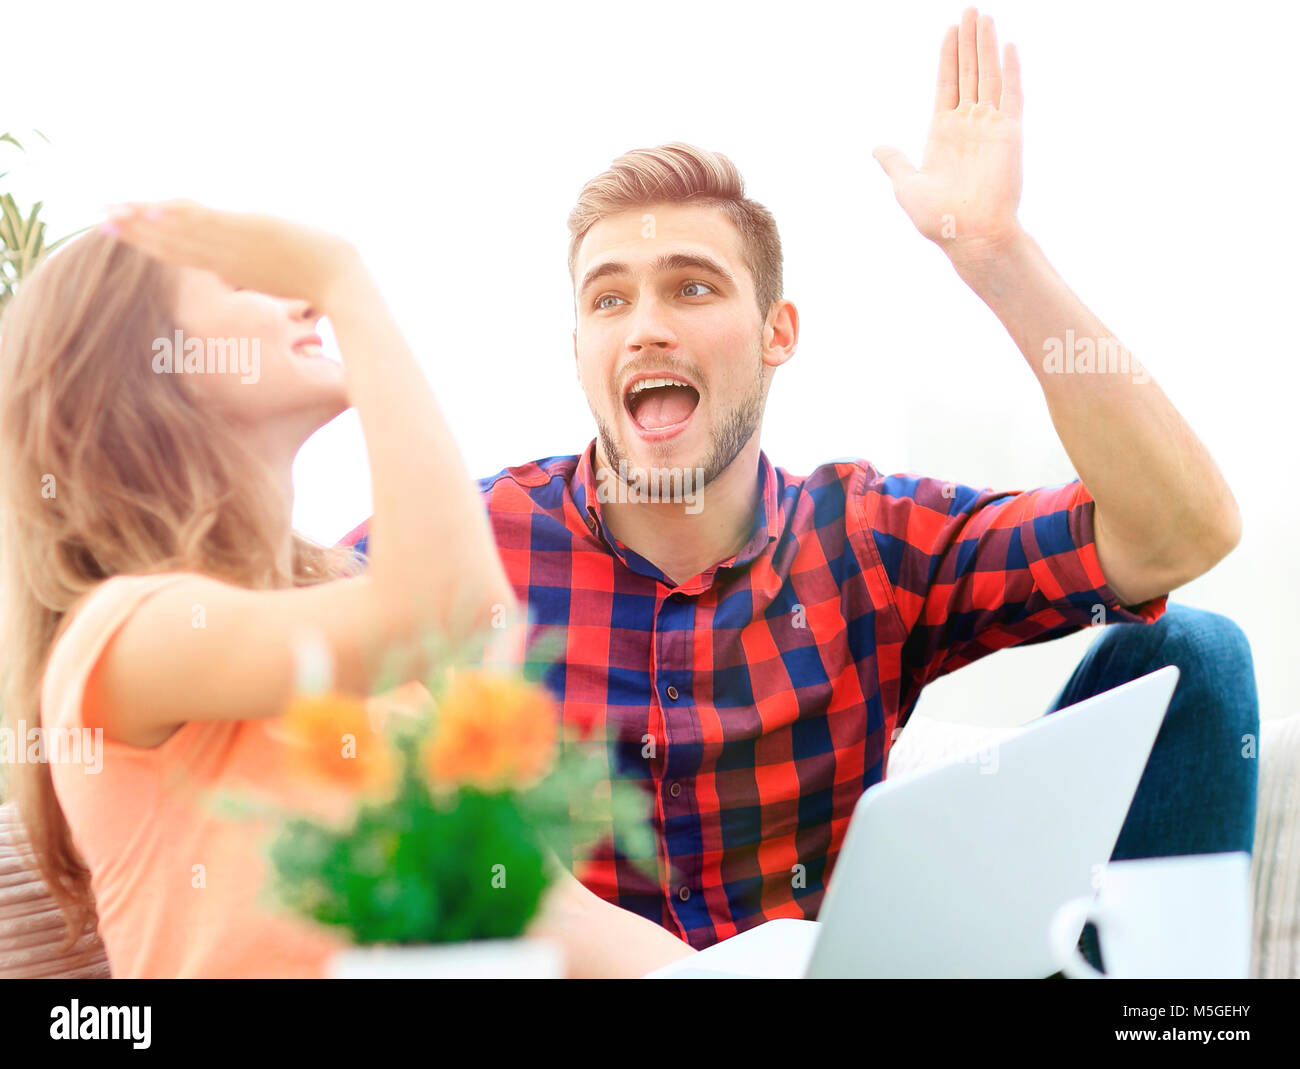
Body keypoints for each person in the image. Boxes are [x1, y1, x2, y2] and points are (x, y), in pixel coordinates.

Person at [341, 10, 1258, 972]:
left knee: (1193, 651)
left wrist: (994, 251)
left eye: (691, 287)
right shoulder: (465, 544)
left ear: (778, 332)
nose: (645, 326)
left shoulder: (867, 538)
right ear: (579, 351)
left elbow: (1183, 530)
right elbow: (261, 639)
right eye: (608, 299)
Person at [0, 205, 695, 978]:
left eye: (296, 285)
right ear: (144, 366)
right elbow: (450, 614)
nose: (303, 304)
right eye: (248, 286)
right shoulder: (123, 635)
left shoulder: (348, 626)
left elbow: (549, 909)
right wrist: (344, 280)